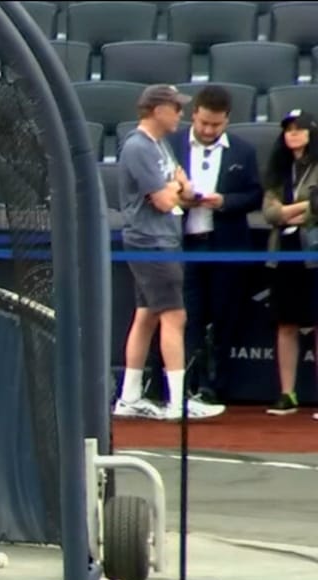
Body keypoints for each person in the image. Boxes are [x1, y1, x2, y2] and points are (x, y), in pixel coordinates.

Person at [114, 84, 224, 421]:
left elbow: (185, 189)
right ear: (156, 109)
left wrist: (177, 188)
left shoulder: (159, 145)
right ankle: (177, 402)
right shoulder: (138, 146)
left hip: (162, 239)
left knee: (147, 316)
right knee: (175, 317)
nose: (180, 113)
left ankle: (129, 398)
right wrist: (176, 188)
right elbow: (165, 199)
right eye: (175, 107)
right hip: (150, 241)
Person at [170, 85, 263, 405]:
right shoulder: (171, 145)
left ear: (227, 120)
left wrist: (223, 201)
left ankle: (215, 386)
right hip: (185, 245)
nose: (209, 130)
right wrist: (179, 198)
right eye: (204, 123)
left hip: (228, 246)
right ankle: (187, 384)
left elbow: (254, 195)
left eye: (216, 124)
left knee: (225, 317)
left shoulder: (243, 151)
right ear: (194, 114)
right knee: (187, 317)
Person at [260, 109, 318, 417]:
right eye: (288, 129)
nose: (293, 134)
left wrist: (289, 210)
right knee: (286, 323)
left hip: (314, 251)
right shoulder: (279, 170)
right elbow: (269, 213)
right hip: (283, 251)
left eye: (299, 129)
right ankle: (287, 393)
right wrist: (301, 207)